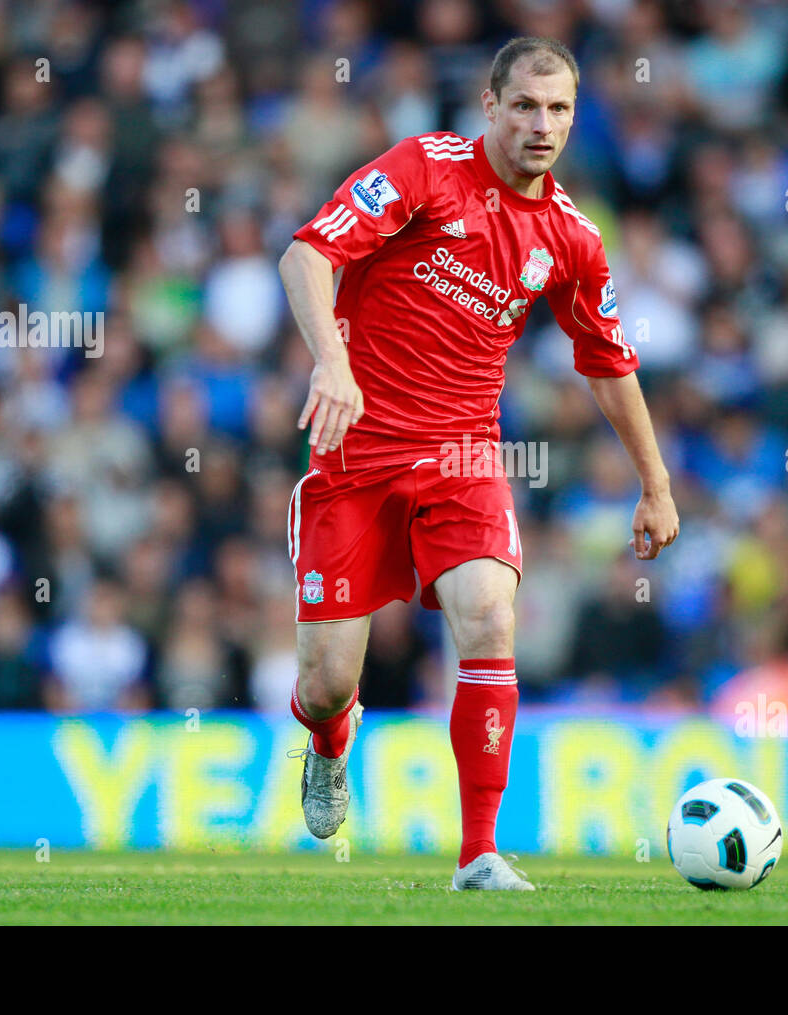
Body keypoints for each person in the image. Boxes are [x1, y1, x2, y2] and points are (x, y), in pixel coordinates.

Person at [278, 36, 678, 890]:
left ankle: (479, 852)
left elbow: (608, 360)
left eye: (560, 109)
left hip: (463, 455)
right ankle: (329, 736)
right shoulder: (424, 168)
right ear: (489, 106)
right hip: (353, 454)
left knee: (492, 618)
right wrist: (333, 362)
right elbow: (307, 254)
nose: (543, 125)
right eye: (526, 106)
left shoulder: (572, 237)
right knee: (324, 681)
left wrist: (656, 482)